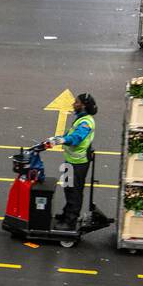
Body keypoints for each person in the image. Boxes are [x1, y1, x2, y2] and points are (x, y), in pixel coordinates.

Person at [47, 92, 97, 228]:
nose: (73, 104)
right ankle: (67, 213)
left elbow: (77, 138)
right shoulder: (80, 119)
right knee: (68, 188)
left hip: (78, 164)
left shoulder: (86, 122)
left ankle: (70, 221)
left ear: (84, 105)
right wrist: (57, 138)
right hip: (70, 161)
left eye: (76, 102)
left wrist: (63, 140)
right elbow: (71, 134)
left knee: (75, 191)